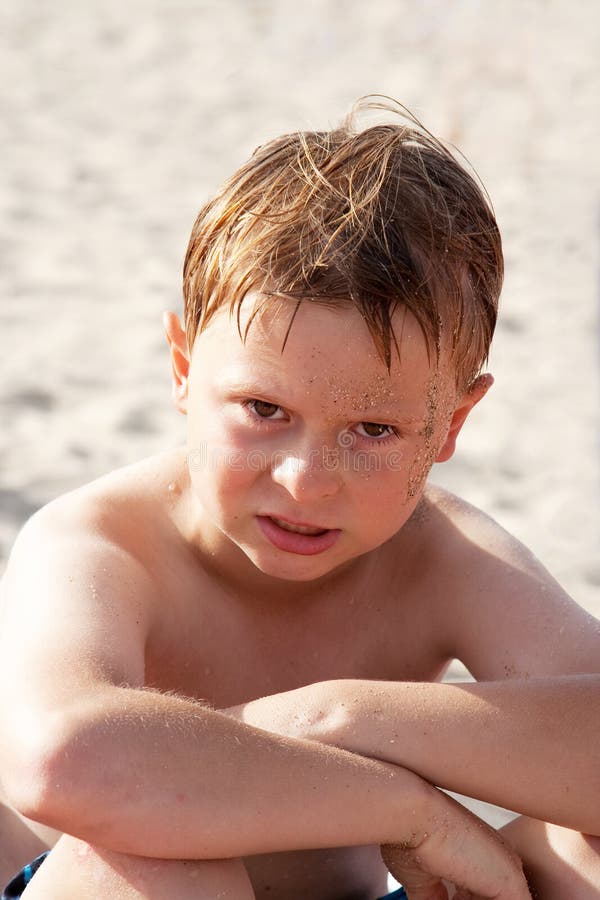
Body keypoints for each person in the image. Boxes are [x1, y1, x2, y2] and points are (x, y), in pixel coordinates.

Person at [0, 96, 599, 900]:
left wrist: (335, 717)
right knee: (151, 857)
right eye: (264, 410)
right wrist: (413, 814)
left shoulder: (442, 558)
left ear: (451, 424)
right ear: (182, 368)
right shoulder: (103, 543)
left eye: (374, 430)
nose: (307, 480)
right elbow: (60, 759)